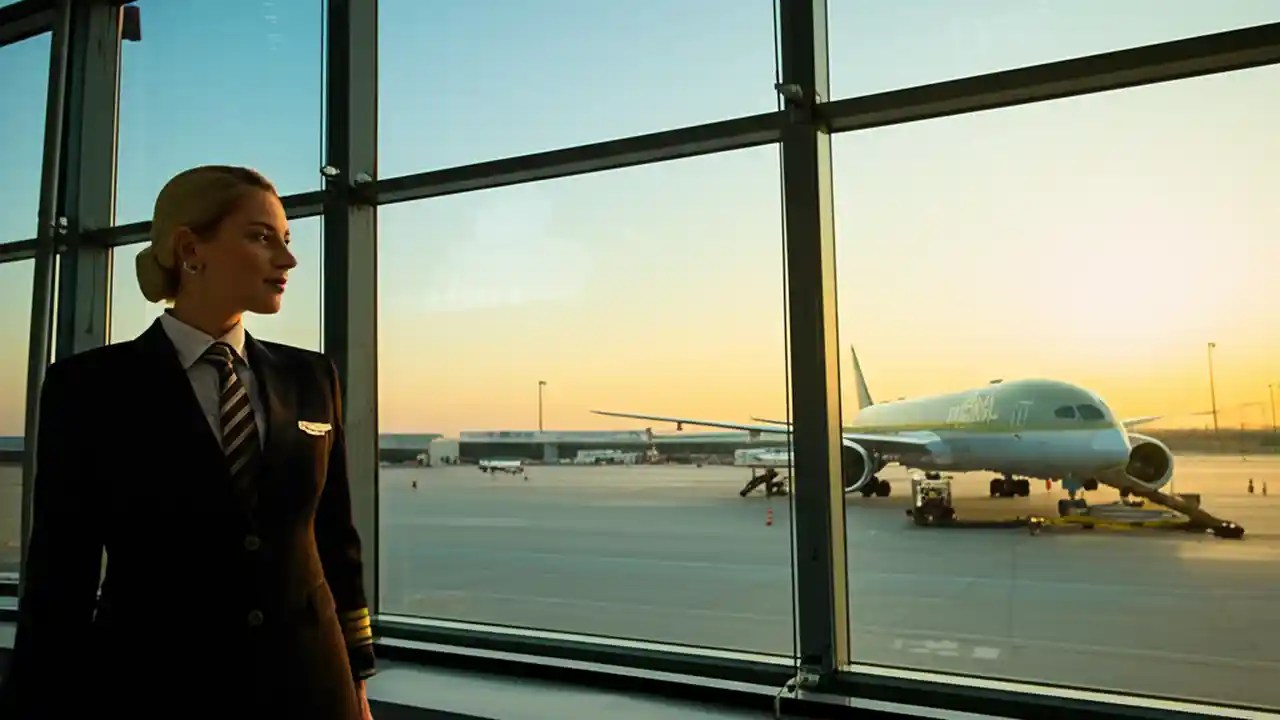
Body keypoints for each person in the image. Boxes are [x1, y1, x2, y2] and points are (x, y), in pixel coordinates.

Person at [0, 166, 376, 719]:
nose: (288, 260)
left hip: (312, 687)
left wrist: (357, 678)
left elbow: (335, 539)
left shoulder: (312, 378)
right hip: (159, 687)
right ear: (189, 248)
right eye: (260, 236)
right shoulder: (90, 388)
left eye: (287, 240)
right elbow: (61, 572)